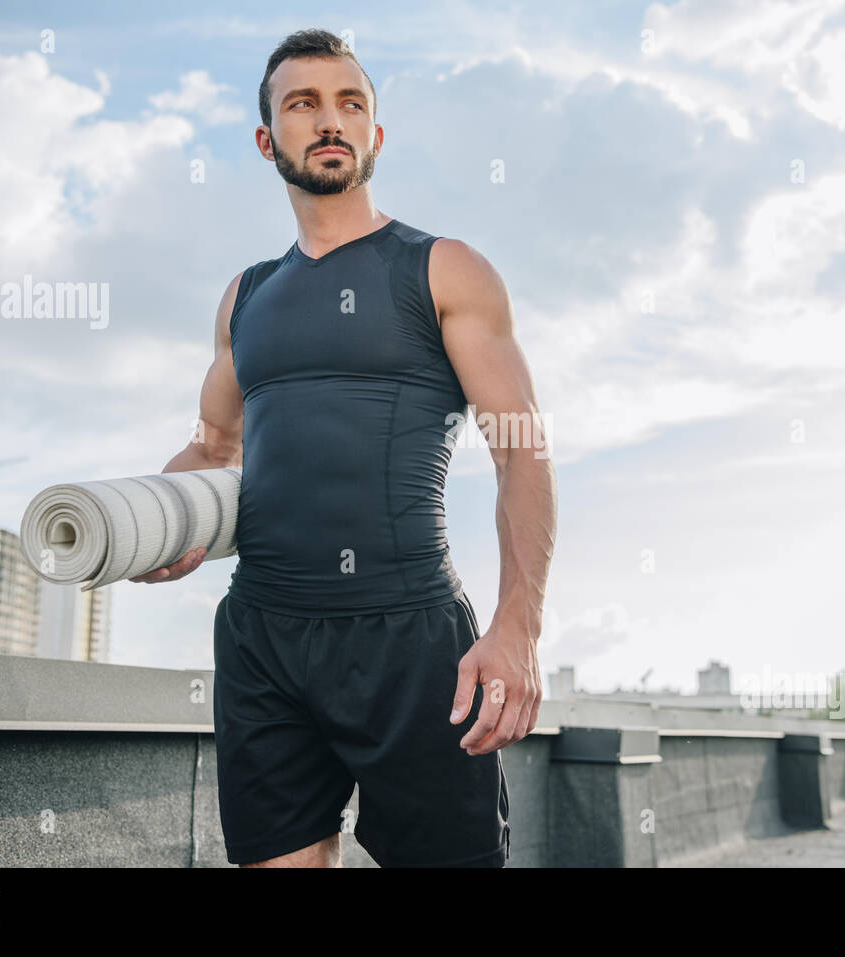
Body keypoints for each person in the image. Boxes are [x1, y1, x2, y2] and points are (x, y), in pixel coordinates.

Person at [131, 28, 557, 868]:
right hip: (262, 636)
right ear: (267, 139)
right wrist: (146, 518)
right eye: (304, 103)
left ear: (374, 134)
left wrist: (518, 625)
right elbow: (213, 445)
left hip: (412, 640)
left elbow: (522, 452)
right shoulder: (244, 298)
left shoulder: (445, 269)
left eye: (349, 103)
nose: (330, 120)